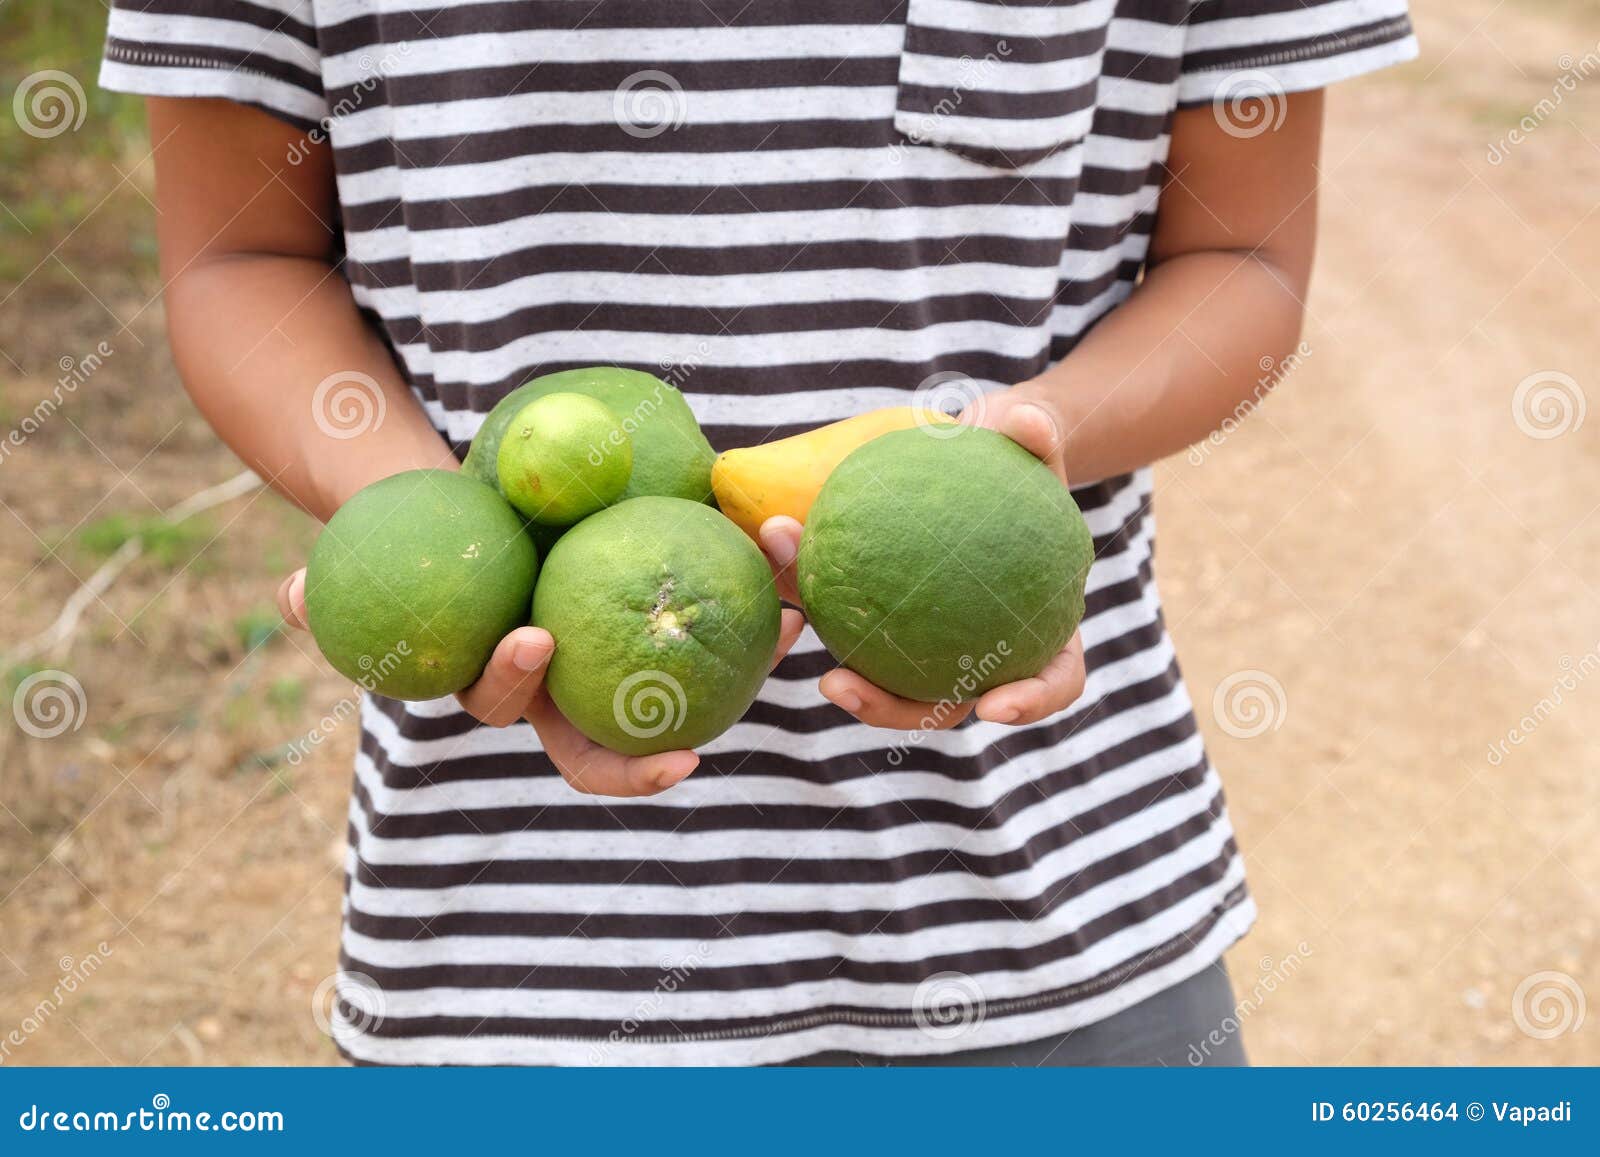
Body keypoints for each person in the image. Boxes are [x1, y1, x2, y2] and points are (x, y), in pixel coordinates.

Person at [101, 0, 1416, 1066]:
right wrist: (447, 536)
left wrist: (1034, 446)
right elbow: (240, 256)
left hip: (1059, 911)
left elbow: (1244, 251)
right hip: (510, 953)